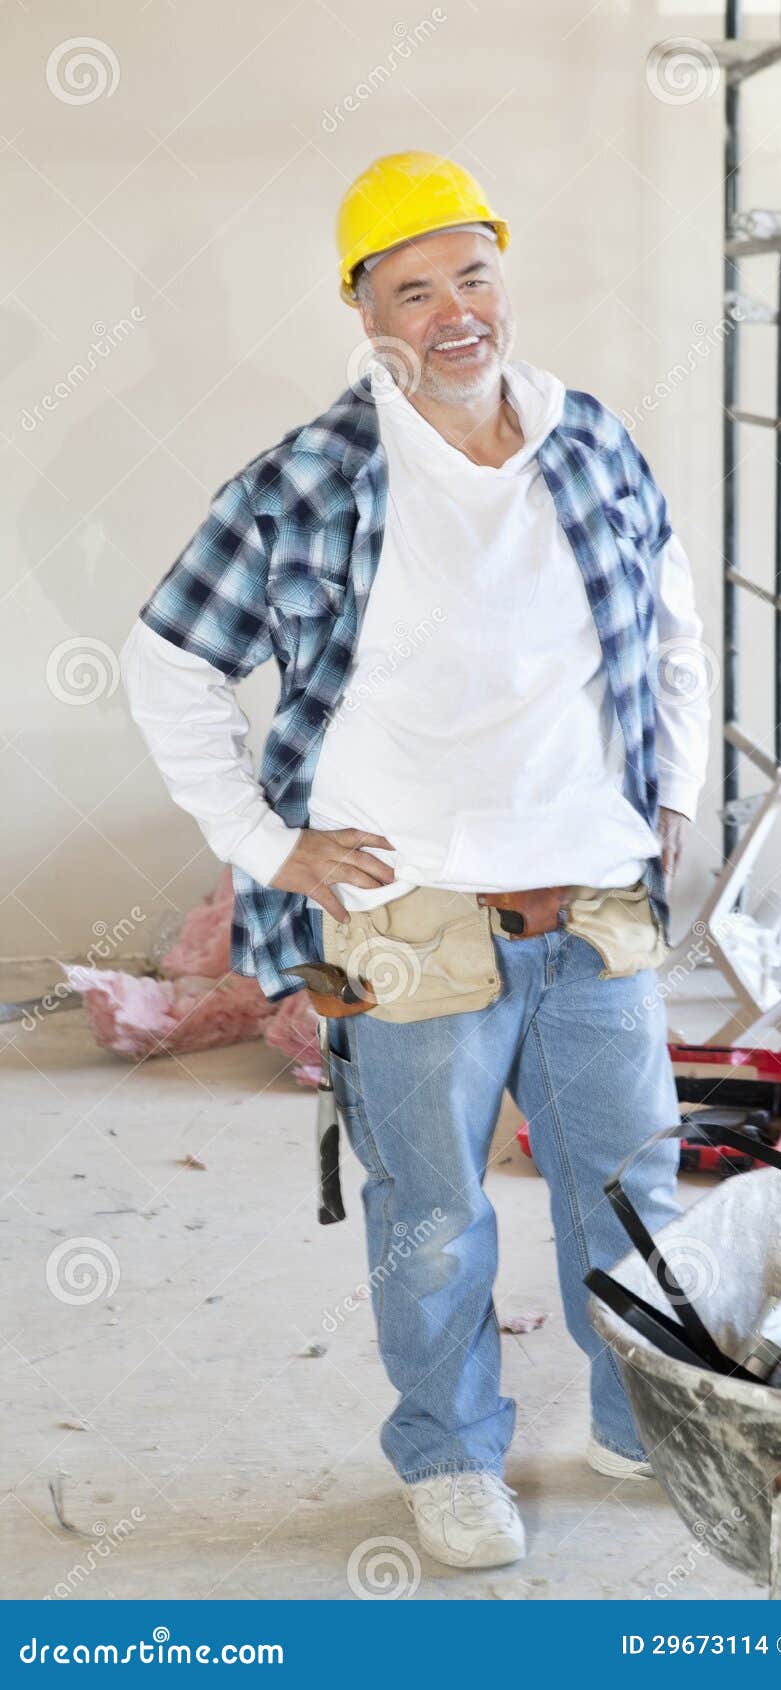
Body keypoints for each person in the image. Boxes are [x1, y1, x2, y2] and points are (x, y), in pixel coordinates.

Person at [122, 150, 709, 1571]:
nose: (454, 312)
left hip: (593, 899)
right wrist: (267, 846)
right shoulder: (314, 475)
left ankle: (649, 1420)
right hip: (408, 916)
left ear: (505, 278)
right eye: (413, 288)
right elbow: (165, 658)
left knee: (630, 1190)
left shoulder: (590, 438)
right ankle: (451, 1456)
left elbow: (673, 618)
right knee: (435, 1215)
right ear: (365, 310)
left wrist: (674, 786)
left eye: (473, 275)